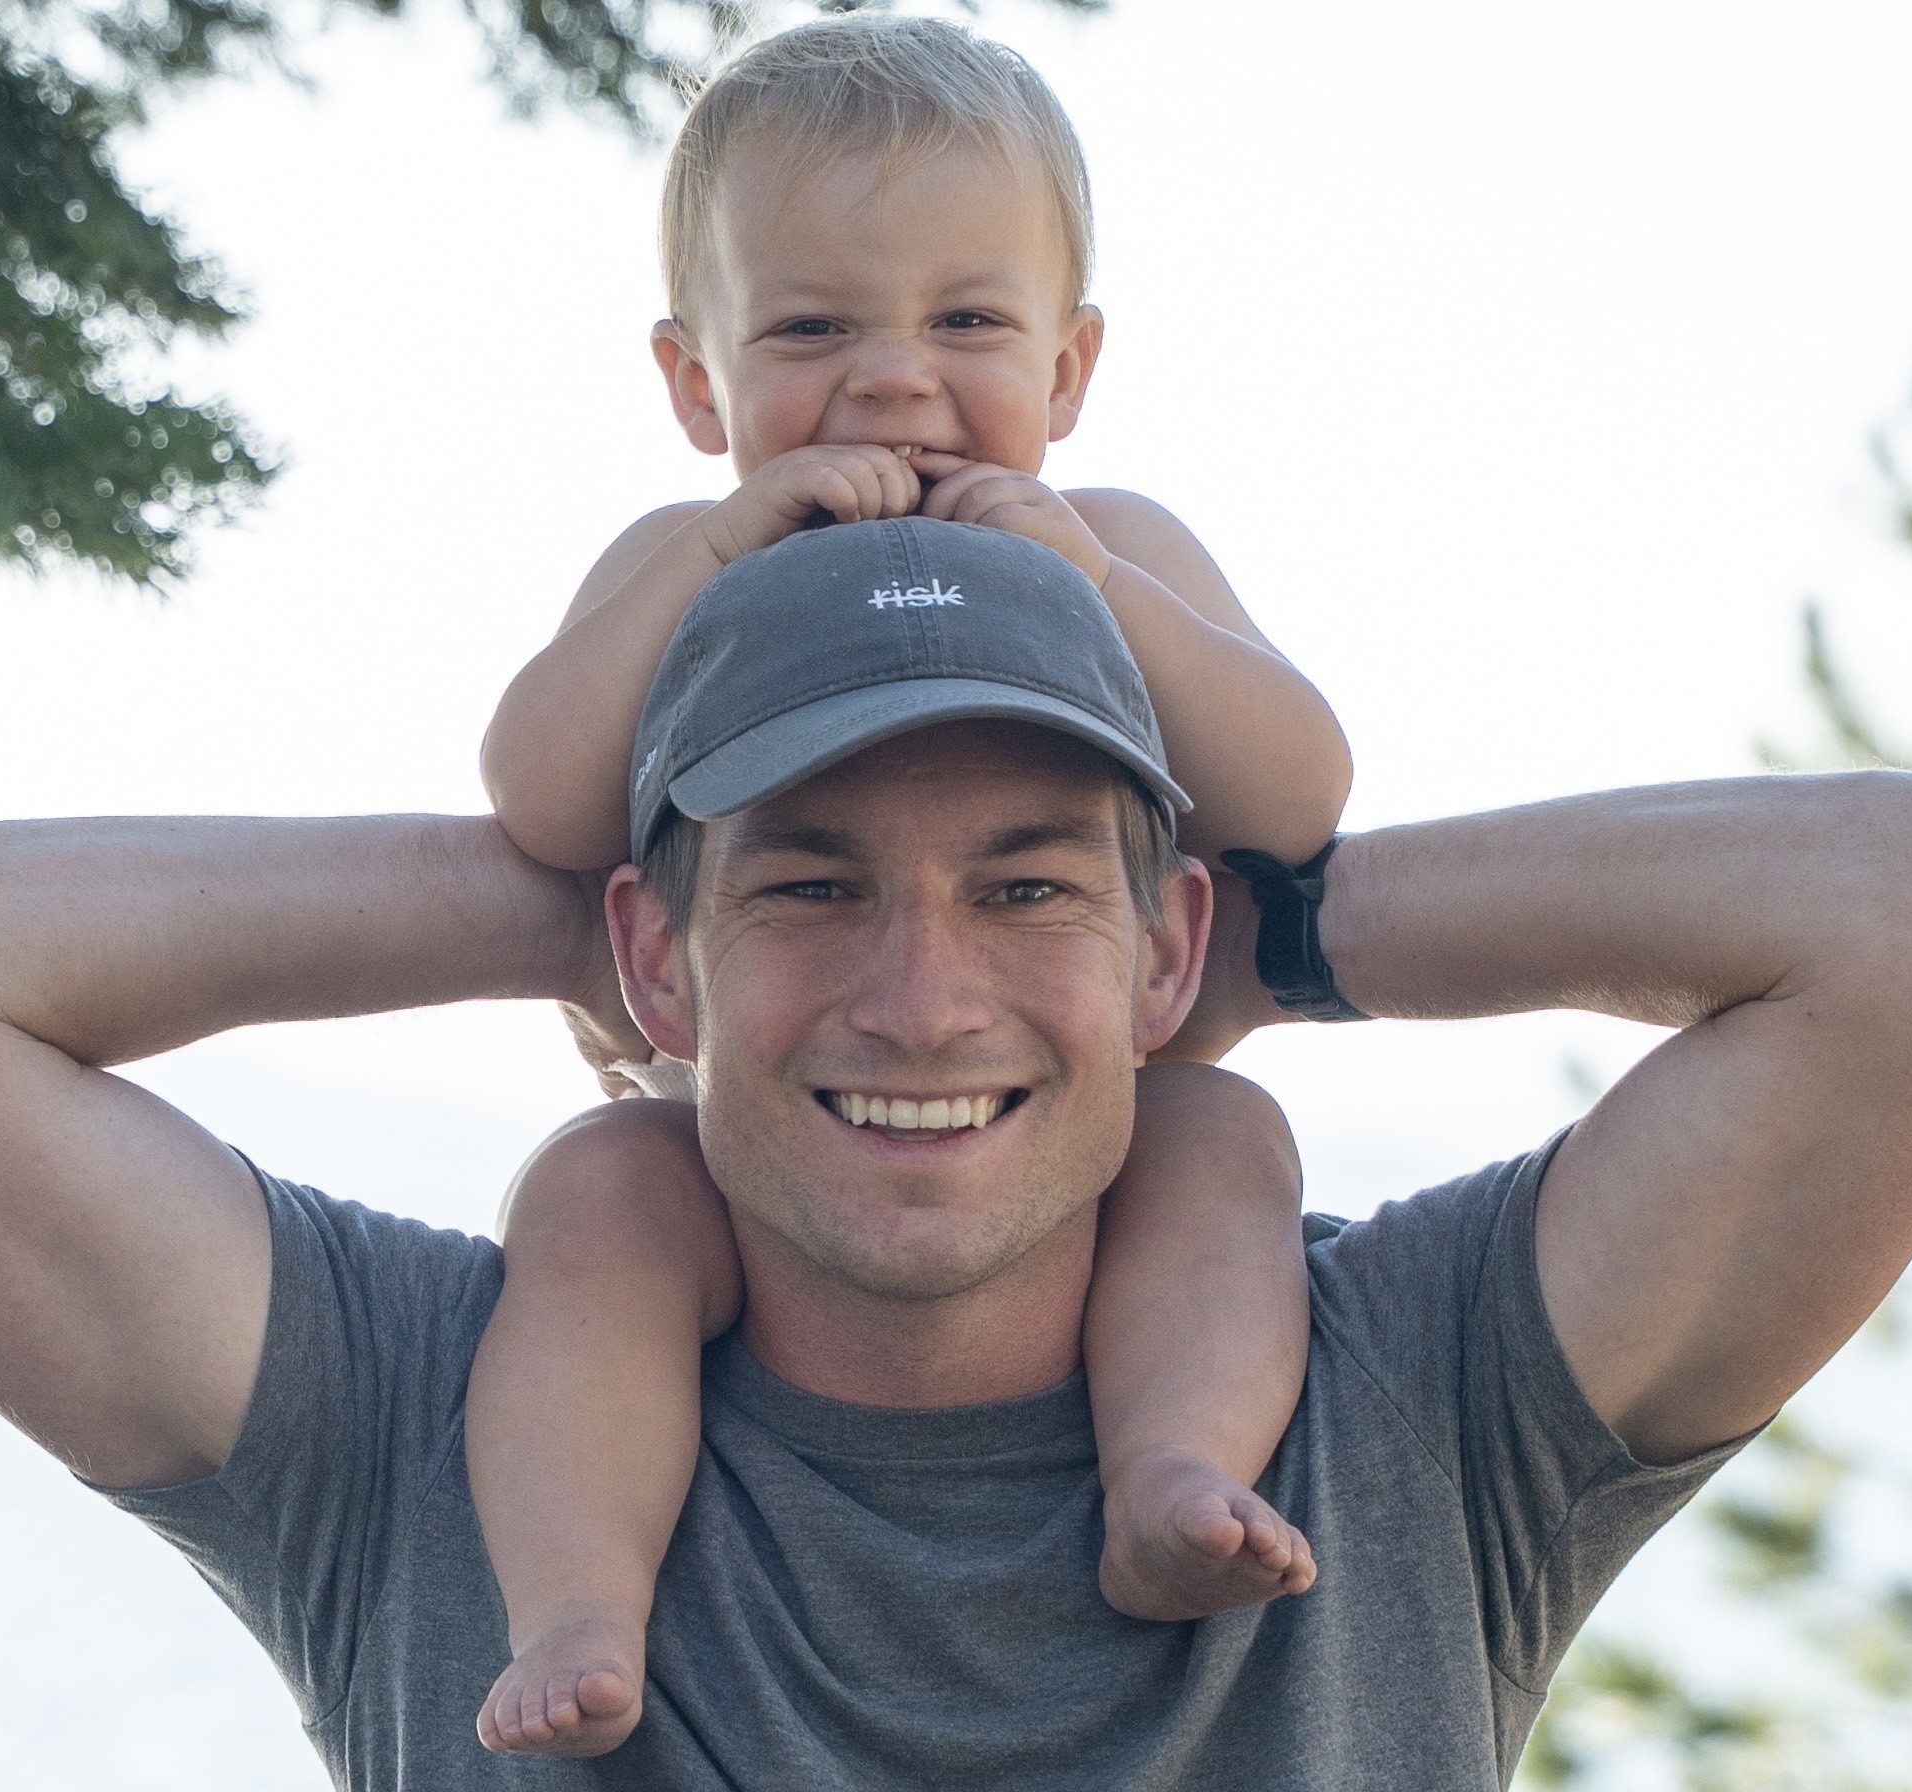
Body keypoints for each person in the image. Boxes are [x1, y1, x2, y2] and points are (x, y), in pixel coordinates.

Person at [0, 513, 1912, 1789]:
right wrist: (577, 903)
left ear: (1164, 943)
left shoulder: (1410, 1398)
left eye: (1027, 887)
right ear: (658, 956)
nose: (922, 994)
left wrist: (1287, 935)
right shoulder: (436, 1414)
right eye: (812, 886)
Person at [470, 16, 1352, 1752]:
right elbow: (535, 797)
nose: (890, 382)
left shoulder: (1117, 542)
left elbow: (1300, 795)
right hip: (726, 1128)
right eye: (811, 329)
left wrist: (1096, 583)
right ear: (696, 384)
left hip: (1082, 1125)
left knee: (1226, 1140)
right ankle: (576, 1601)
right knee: (590, 1190)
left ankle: (1170, 1466)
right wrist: (720, 551)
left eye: (966, 324)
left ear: (1069, 364)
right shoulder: (683, 562)